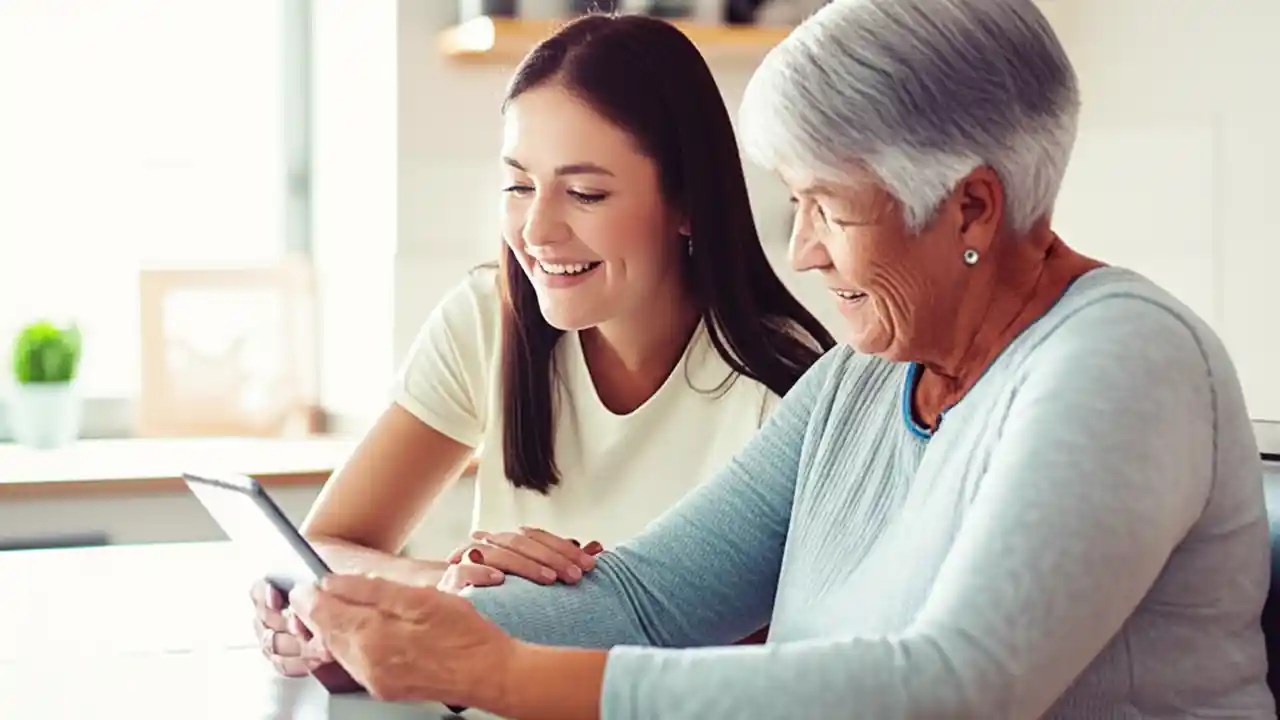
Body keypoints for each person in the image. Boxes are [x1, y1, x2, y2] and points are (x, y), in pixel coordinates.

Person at [291, 0, 1275, 717]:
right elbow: (648, 597)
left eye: (829, 207)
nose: (800, 250)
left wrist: (492, 673)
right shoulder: (866, 374)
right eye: (791, 203)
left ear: (970, 206)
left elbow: (952, 687)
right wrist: (383, 623)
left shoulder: (1120, 361)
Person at [250, 13, 833, 677]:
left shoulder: (784, 391)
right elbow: (327, 545)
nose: (537, 229)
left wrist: (505, 612)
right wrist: (447, 590)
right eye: (519, 186)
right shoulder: (486, 320)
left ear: (687, 204)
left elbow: (773, 658)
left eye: (585, 193)